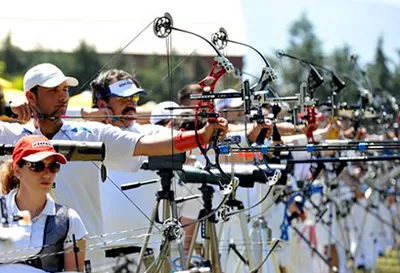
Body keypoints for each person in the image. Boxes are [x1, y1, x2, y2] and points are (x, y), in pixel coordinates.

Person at [4, 63, 228, 270]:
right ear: (30, 96)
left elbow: (145, 144)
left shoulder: (88, 133)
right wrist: (6, 107)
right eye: (53, 90)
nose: (63, 96)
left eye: (65, 90)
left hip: (86, 252)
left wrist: (202, 135)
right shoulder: (13, 134)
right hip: (26, 255)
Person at [0, 135, 87, 272]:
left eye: (53, 166)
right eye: (37, 166)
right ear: (17, 170)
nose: (47, 174)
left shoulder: (69, 220)